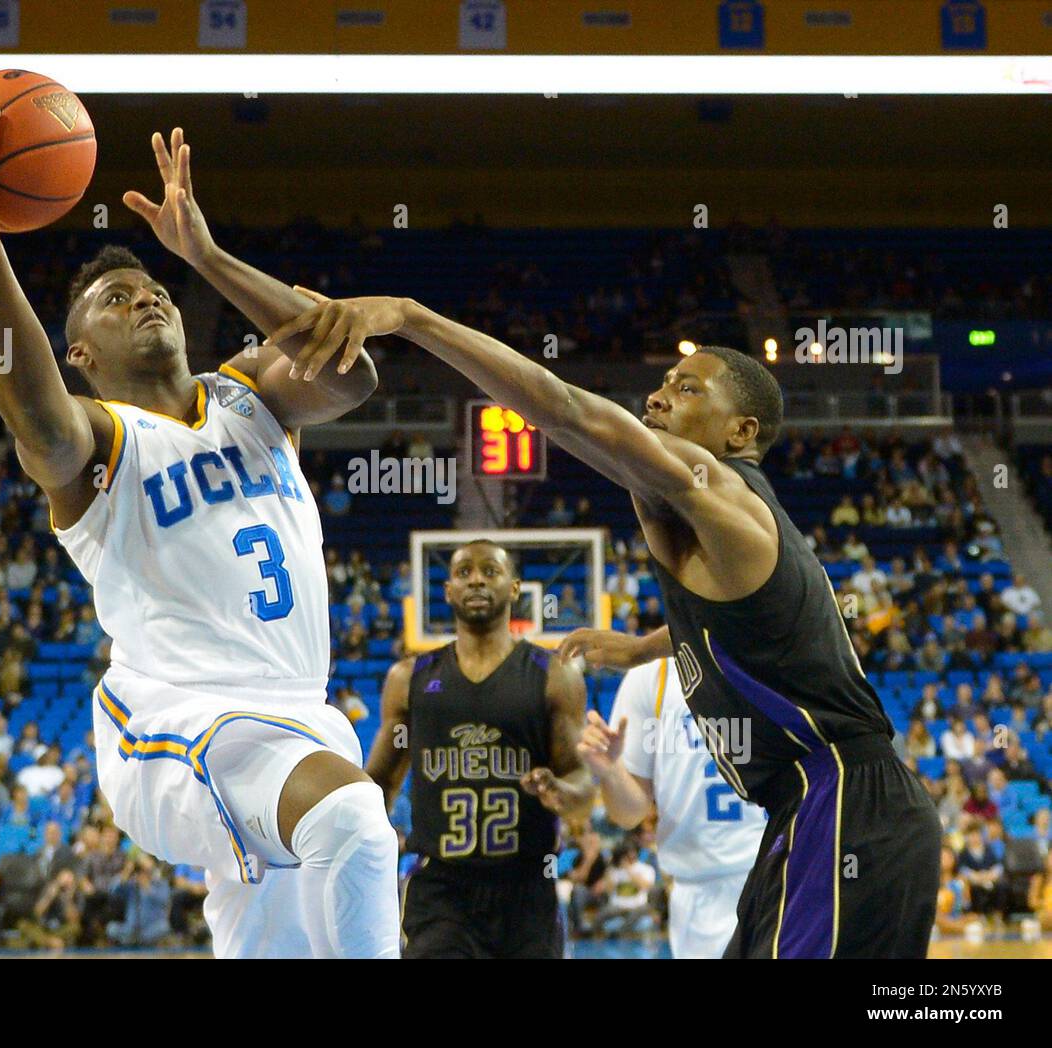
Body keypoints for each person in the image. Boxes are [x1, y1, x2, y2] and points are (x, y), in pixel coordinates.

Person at [272, 295, 941, 958]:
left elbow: (562, 407)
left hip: (846, 800)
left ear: (740, 433)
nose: (657, 396)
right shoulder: (727, 534)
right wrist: (647, 646)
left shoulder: (721, 492)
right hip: (810, 808)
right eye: (663, 382)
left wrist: (413, 318)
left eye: (687, 388)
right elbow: (773, 624)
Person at [0, 101, 396, 958]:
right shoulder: (99, 439)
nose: (144, 299)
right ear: (80, 355)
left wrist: (205, 256)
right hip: (174, 722)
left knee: (290, 937)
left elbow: (352, 375)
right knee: (353, 817)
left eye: (154, 291)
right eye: (115, 300)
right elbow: (36, 415)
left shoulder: (251, 392)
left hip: (299, 717)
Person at [366, 540, 591, 958]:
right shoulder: (409, 679)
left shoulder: (554, 676)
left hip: (528, 889)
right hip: (441, 892)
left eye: (490, 571)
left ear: (515, 588)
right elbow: (378, 784)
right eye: (464, 572)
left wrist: (561, 791)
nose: (476, 581)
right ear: (448, 590)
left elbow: (582, 780)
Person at [567, 632, 766, 958]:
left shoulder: (777, 653)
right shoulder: (651, 675)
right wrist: (611, 771)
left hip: (782, 876)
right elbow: (629, 813)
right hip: (694, 890)